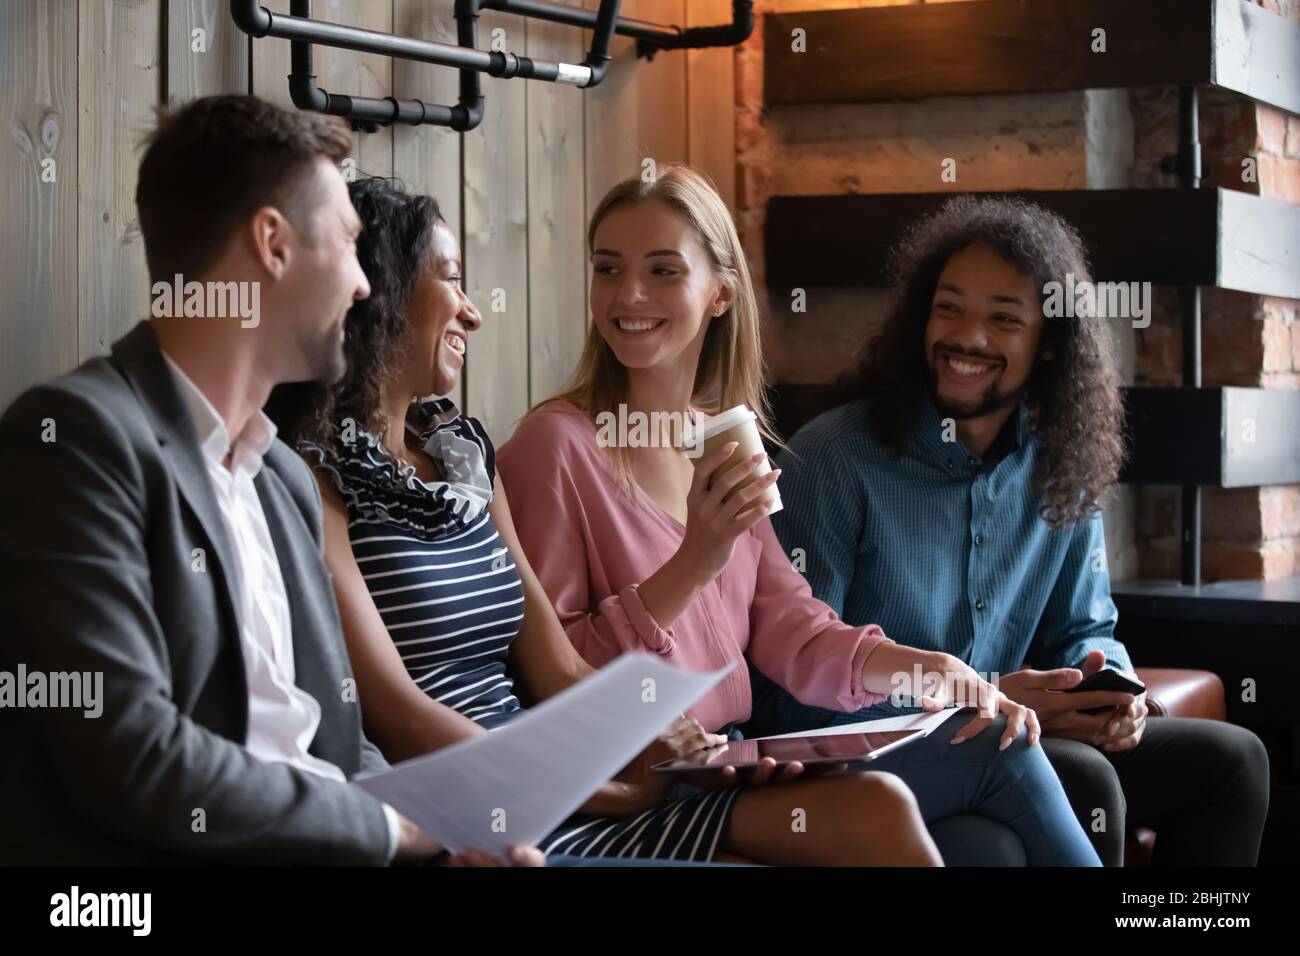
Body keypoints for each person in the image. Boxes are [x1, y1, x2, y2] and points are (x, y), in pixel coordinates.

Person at [267, 175, 945, 866]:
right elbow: (397, 715)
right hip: (485, 798)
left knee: (879, 808)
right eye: (450, 280)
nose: (473, 312)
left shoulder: (463, 452)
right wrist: (613, 786)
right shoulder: (312, 477)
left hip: (598, 768)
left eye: (662, 270)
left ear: (722, 293)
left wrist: (662, 748)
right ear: (373, 292)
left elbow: (555, 666)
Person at [497, 166, 1101, 866]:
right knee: (1007, 757)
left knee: (985, 813)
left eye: (663, 271)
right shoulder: (554, 447)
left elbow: (796, 632)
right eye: (608, 268)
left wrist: (927, 670)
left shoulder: (724, 438)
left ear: (720, 293)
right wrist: (696, 560)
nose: (628, 295)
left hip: (735, 762)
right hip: (642, 784)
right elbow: (549, 678)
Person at [4, 94, 537, 866]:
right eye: (350, 245)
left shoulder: (282, 477)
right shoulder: (76, 442)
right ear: (273, 244)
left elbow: (340, 750)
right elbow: (135, 756)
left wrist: (447, 840)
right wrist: (399, 835)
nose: (363, 286)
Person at [745, 195, 1271, 866]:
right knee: (1082, 782)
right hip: (893, 750)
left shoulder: (1062, 466)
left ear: (1048, 344)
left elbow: (1084, 630)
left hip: (1018, 731)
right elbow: (794, 689)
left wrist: (1114, 692)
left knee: (1233, 762)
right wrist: (986, 695)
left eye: (1003, 319)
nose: (969, 337)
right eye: (949, 309)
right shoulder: (832, 461)